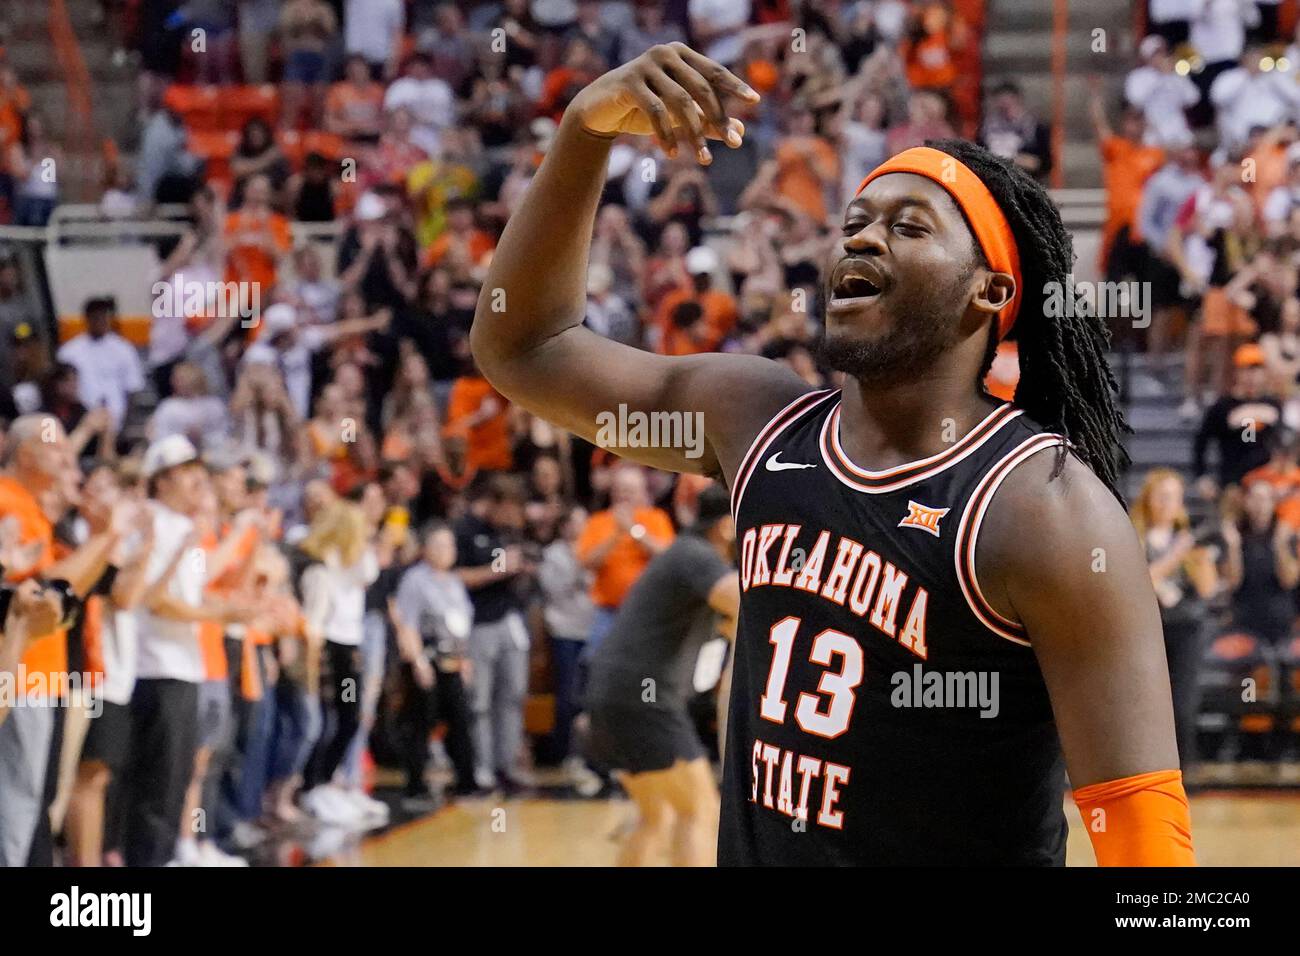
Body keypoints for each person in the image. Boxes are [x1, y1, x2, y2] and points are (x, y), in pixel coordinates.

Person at [471, 43, 1195, 866]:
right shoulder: (754, 418)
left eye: (907, 226)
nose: (862, 239)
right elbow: (523, 347)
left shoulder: (1042, 509)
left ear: (990, 291)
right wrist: (583, 132)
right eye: (854, 222)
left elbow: (1144, 830)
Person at [585, 485, 739, 866]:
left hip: (612, 694)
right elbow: (741, 598)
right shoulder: (697, 555)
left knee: (659, 817)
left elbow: (729, 623)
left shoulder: (684, 558)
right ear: (725, 526)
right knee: (700, 810)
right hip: (642, 696)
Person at [124, 435, 250, 867]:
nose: (198, 481)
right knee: (157, 788)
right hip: (157, 668)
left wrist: (236, 609)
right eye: (186, 472)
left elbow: (194, 596)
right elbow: (155, 601)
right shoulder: (152, 523)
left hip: (184, 666)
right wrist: (213, 616)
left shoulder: (183, 527)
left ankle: (167, 857)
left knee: (175, 782)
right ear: (162, 480)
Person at [1132, 470, 1219, 778]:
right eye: (1162, 495)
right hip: (1148, 629)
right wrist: (1175, 555)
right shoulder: (1134, 535)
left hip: (1186, 628)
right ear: (1149, 499)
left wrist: (1201, 559)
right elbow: (1140, 580)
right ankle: (1149, 770)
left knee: (1183, 701)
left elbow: (1208, 590)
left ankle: (1187, 768)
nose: (1169, 502)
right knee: (1147, 702)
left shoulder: (1189, 538)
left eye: (1174, 496)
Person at [454, 475, 534, 792]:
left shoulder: (505, 533)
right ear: (495, 502)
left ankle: (507, 766)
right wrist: (496, 571)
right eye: (511, 508)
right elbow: (453, 576)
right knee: (479, 701)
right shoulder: (464, 530)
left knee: (513, 696)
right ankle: (482, 769)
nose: (515, 517)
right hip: (478, 623)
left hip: (509, 620)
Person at [389, 521, 478, 804]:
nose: (445, 551)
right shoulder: (415, 580)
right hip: (427, 659)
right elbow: (407, 623)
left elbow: (461, 623)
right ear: (426, 549)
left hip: (453, 659)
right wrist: (417, 661)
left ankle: (467, 782)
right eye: (439, 545)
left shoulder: (453, 582)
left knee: (460, 721)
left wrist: (465, 659)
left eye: (449, 545)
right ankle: (414, 785)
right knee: (421, 723)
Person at [56, 297, 145, 433]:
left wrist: (126, 426)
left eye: (104, 317)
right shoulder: (70, 351)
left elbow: (132, 389)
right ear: (87, 319)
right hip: (81, 423)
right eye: (96, 317)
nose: (101, 321)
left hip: (117, 421)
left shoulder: (123, 349)